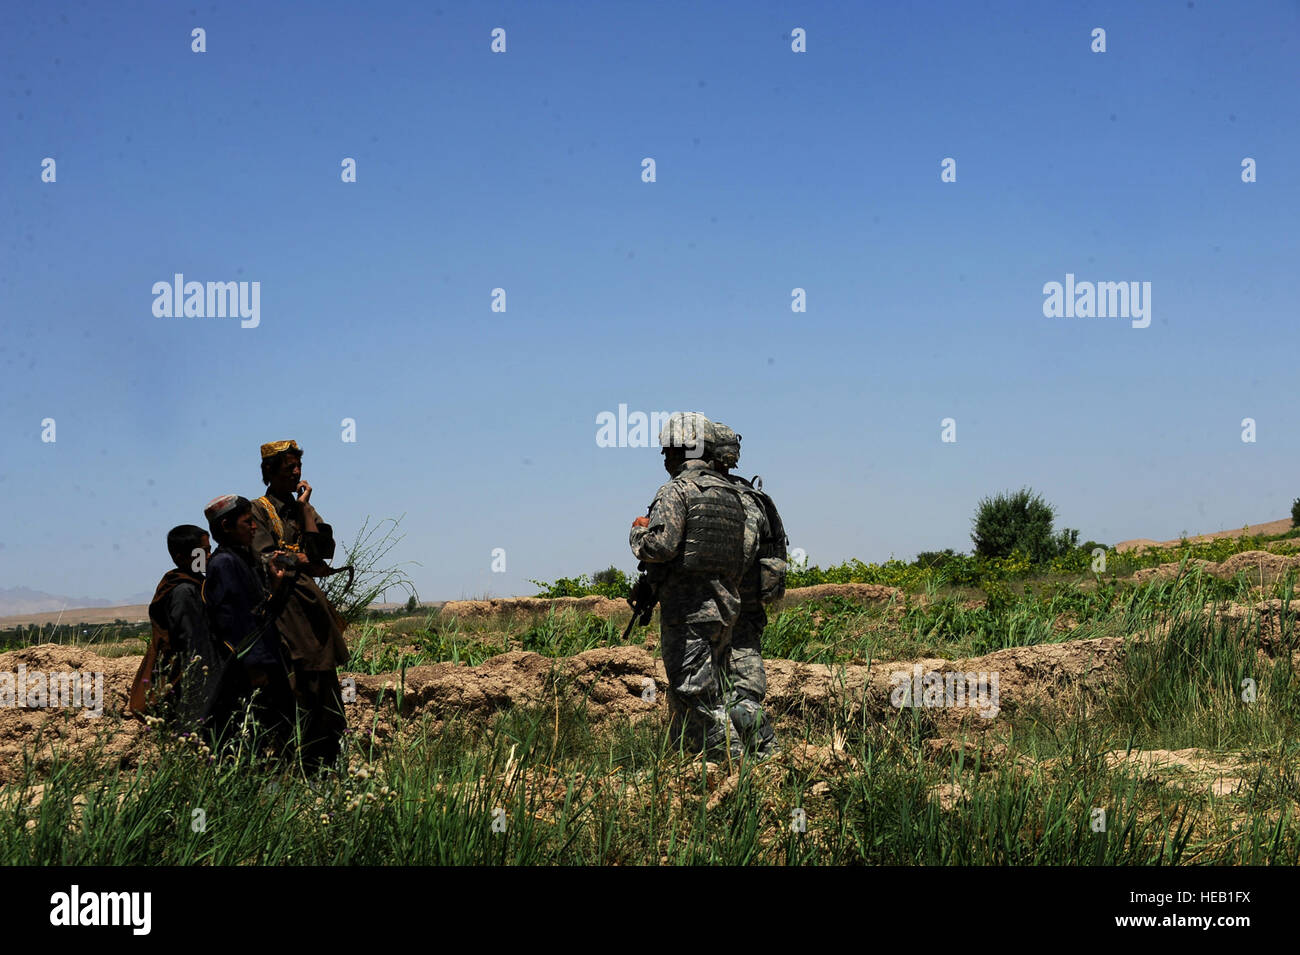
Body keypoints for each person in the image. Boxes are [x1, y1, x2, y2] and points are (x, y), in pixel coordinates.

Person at [630, 412, 747, 761]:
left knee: (694, 694)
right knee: (715, 692)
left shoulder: (677, 491)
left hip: (689, 612)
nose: (665, 458)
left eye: (669, 451)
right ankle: (698, 765)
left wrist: (637, 532)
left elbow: (660, 547)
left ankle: (735, 765)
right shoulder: (730, 495)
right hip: (724, 609)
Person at [249, 440, 350, 772]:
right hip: (283, 606)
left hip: (311, 606)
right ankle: (292, 765)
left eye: (298, 467)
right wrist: (298, 559)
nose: (296, 473)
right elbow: (263, 556)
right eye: (289, 467)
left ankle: (324, 762)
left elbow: (324, 549)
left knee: (325, 684)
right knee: (297, 686)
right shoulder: (258, 510)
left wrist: (306, 509)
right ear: (270, 471)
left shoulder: (301, 508)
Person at [709, 423, 784, 758]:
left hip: (717, 610)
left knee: (716, 696)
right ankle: (765, 760)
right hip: (746, 612)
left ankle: (741, 761)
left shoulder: (718, 498)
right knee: (743, 694)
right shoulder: (752, 495)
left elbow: (739, 554)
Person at [202, 494, 296, 754]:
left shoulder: (241, 559)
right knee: (259, 735)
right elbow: (234, 622)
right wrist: (254, 666)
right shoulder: (224, 564)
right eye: (247, 523)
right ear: (226, 527)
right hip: (250, 670)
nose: (254, 527)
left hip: (264, 663)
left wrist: (275, 585)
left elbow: (259, 609)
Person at [128, 524, 223, 732]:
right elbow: (193, 646)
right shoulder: (184, 592)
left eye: (209, 550)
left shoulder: (196, 584)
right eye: (202, 552)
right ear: (181, 557)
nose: (208, 556)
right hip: (189, 683)